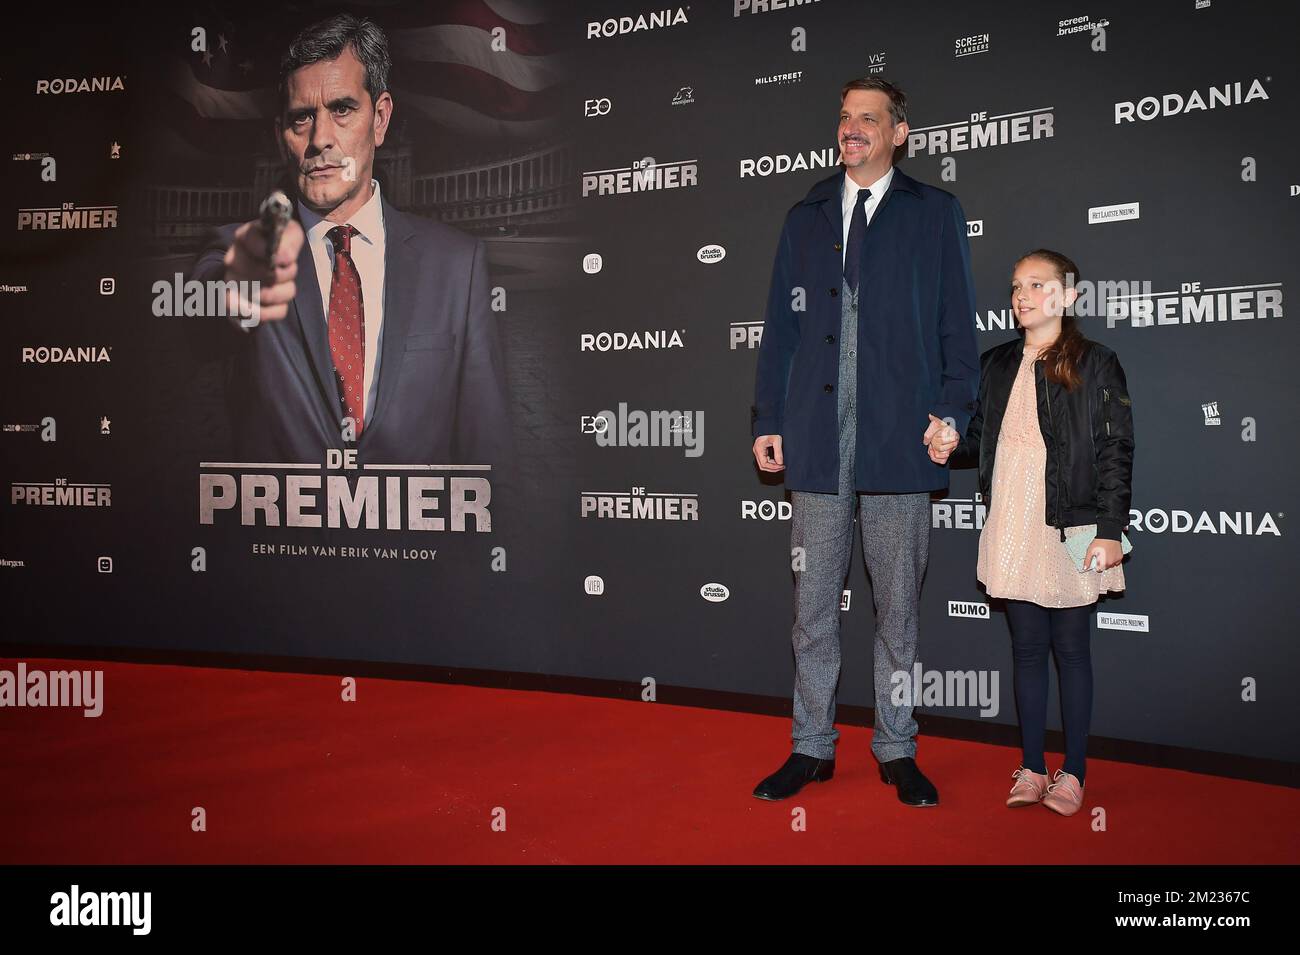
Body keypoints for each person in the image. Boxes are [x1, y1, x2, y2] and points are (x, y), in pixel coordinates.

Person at [750, 77, 980, 806]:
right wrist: (768, 420)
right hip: (818, 435)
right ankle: (811, 745)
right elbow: (781, 330)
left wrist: (953, 411)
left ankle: (896, 745)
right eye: (846, 116)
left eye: (869, 118)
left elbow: (956, 326)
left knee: (898, 611)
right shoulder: (807, 215)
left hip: (899, 436)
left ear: (899, 132)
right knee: (813, 605)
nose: (853, 128)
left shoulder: (934, 213)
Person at [187, 13, 512, 470]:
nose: (320, 139)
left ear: (379, 119)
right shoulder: (235, 248)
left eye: (341, 109)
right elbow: (202, 325)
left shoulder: (458, 265)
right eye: (301, 118)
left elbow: (490, 450)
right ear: (281, 136)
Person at [933, 249, 1135, 816]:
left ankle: (1073, 773)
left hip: (1072, 522)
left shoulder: (1097, 362)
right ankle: (1031, 766)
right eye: (1017, 285)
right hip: (1012, 519)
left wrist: (1111, 528)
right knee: (1025, 648)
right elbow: (978, 442)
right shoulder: (995, 362)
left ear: (1069, 296)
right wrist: (949, 446)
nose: (1023, 295)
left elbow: (1117, 449)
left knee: (1071, 649)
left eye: (1038, 284)